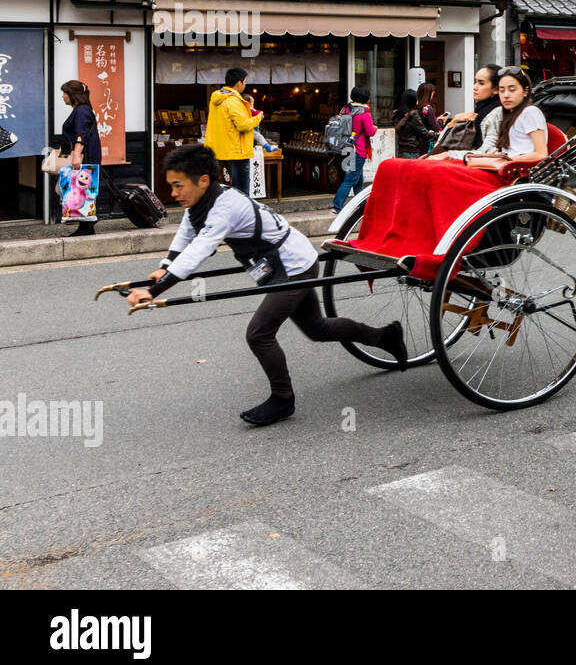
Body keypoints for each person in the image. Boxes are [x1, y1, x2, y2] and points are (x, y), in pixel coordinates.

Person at [123, 145, 407, 426]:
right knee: (317, 329)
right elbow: (185, 236)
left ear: (204, 181)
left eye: (177, 186)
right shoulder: (200, 203)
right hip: (279, 265)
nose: (173, 194)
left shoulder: (225, 206)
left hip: (293, 266)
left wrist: (154, 291)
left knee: (259, 334)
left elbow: (199, 250)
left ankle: (283, 399)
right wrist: (164, 267)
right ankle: (385, 337)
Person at [464, 66, 548, 168]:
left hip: (517, 170)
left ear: (525, 91)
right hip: (502, 165)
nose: (506, 95)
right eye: (502, 90)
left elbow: (541, 154)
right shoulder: (508, 114)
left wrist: (504, 159)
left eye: (512, 90)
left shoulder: (530, 112)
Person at [207, 67, 264, 195]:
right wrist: (257, 118)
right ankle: (242, 215)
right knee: (242, 192)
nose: (245, 85)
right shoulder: (233, 100)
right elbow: (243, 125)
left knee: (234, 189)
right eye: (245, 82)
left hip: (224, 150)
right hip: (237, 151)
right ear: (239, 83)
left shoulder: (217, 98)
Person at [57, 79, 101, 236]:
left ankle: (86, 225)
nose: (62, 97)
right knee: (80, 189)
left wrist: (76, 156)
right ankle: (86, 225)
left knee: (81, 189)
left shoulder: (82, 111)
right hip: (85, 154)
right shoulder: (81, 110)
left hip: (84, 156)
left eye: (64, 93)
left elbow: (81, 135)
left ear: (73, 95)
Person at [433, 64, 504, 157]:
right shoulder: (480, 110)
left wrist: (448, 155)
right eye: (475, 82)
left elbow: (486, 152)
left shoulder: (497, 112)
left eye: (481, 83)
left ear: (495, 89)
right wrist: (454, 121)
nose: (475, 87)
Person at [331, 86, 376, 214]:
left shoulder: (345, 110)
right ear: (366, 98)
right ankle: (337, 206)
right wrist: (375, 128)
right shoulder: (364, 113)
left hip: (345, 148)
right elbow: (370, 131)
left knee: (358, 180)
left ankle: (363, 206)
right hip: (358, 150)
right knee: (350, 180)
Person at [393, 88, 433, 159]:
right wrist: (434, 134)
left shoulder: (397, 114)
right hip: (412, 151)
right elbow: (424, 133)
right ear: (413, 101)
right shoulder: (413, 114)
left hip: (400, 150)